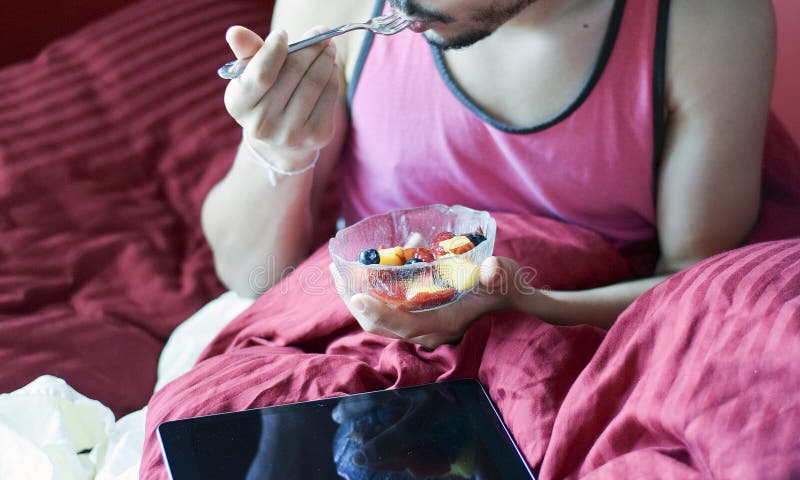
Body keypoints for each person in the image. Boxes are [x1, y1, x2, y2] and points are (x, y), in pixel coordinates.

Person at [200, 0, 776, 349]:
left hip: (587, 344)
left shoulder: (706, 22)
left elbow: (698, 285)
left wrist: (528, 308)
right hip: (358, 349)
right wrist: (278, 151)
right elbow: (251, 278)